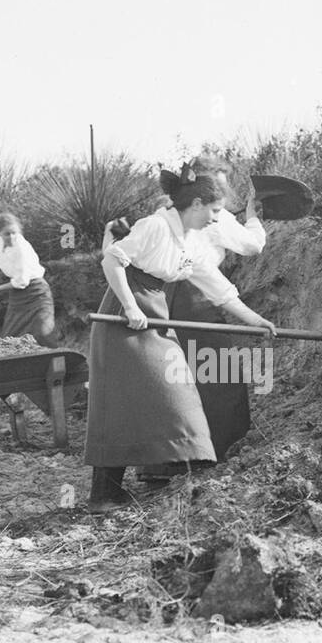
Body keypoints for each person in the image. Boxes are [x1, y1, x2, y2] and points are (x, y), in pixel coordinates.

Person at [84, 165, 277, 512]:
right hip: (124, 314)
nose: (217, 219)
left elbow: (221, 293)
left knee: (176, 393)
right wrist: (130, 307)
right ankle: (104, 496)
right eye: (215, 211)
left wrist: (258, 320)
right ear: (198, 203)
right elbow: (112, 260)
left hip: (154, 310)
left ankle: (185, 473)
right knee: (125, 399)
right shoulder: (156, 226)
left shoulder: (190, 243)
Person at [0, 211, 56, 346]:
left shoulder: (21, 248)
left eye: (14, 233)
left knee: (42, 333)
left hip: (37, 292)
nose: (11, 237)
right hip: (18, 296)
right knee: (11, 337)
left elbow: (22, 281)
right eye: (7, 233)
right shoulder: (0, 240)